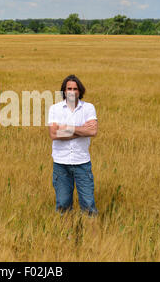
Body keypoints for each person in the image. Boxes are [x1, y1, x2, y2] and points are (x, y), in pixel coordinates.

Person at [47, 75, 98, 216]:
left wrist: (67, 129)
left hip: (82, 162)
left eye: (75, 89)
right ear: (64, 91)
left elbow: (93, 131)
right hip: (61, 163)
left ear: (80, 91)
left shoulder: (88, 108)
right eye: (69, 88)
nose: (72, 91)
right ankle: (64, 235)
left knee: (88, 205)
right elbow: (54, 134)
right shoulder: (55, 109)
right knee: (63, 205)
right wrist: (81, 129)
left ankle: (92, 236)